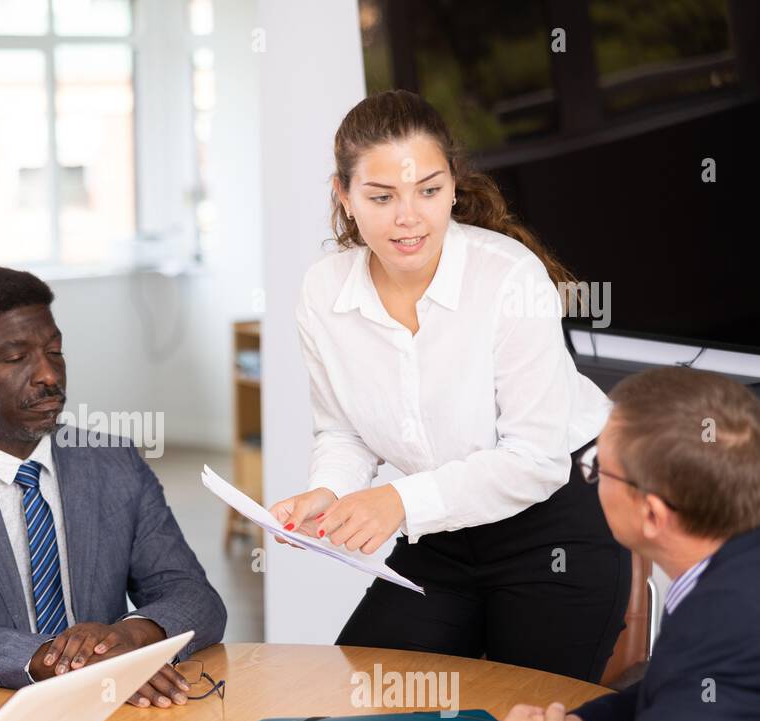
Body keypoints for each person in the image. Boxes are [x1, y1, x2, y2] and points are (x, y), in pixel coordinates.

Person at [269, 89, 627, 681]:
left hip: (555, 525)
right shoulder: (322, 292)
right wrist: (326, 492)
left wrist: (398, 502)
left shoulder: (509, 275)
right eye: (381, 197)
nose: (408, 217)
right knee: (358, 703)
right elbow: (343, 430)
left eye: (429, 191)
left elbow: (536, 461)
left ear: (454, 186)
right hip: (441, 534)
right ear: (344, 195)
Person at [0, 267, 226, 706]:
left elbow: (193, 596)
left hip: (113, 712)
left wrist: (124, 637)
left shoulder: (112, 462)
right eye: (16, 359)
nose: (49, 375)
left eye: (55, 351)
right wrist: (55, 660)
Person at [493, 367, 760, 721]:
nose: (588, 478)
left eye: (597, 467)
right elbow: (691, 687)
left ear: (653, 514)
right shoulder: (736, 575)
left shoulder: (731, 624)